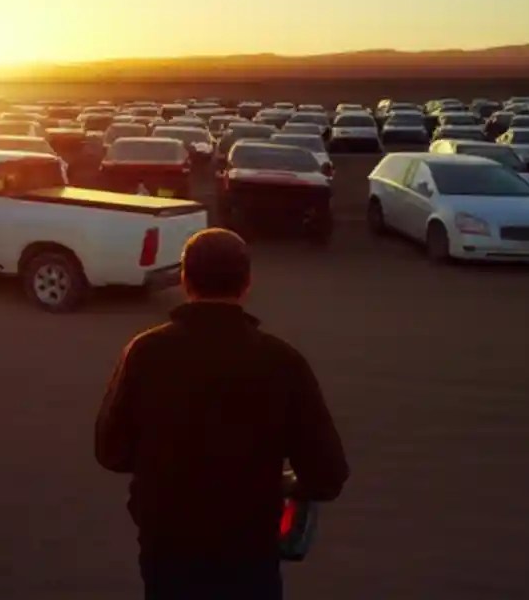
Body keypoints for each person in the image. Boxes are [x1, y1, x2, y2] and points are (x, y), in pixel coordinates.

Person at [95, 228, 349, 600]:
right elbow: (328, 474)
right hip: (248, 557)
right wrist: (283, 484)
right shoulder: (282, 362)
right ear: (247, 283)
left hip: (168, 552)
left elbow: (110, 451)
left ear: (184, 280)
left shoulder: (146, 353)